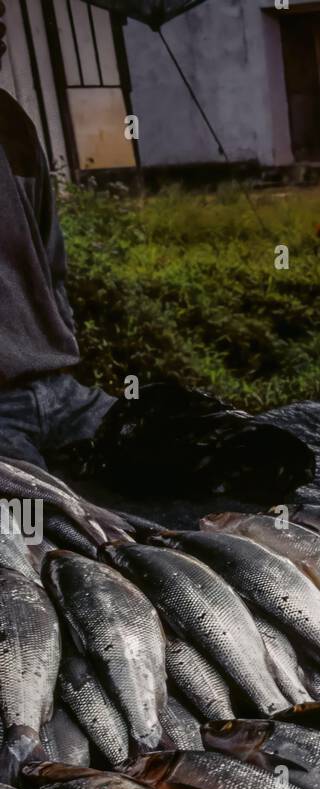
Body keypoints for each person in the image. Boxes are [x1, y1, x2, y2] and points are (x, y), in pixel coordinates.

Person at [0, 2, 114, 471]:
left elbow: (52, 266)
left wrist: (58, 344)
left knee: (210, 452)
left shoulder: (11, 127)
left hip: (62, 391)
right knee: (41, 535)